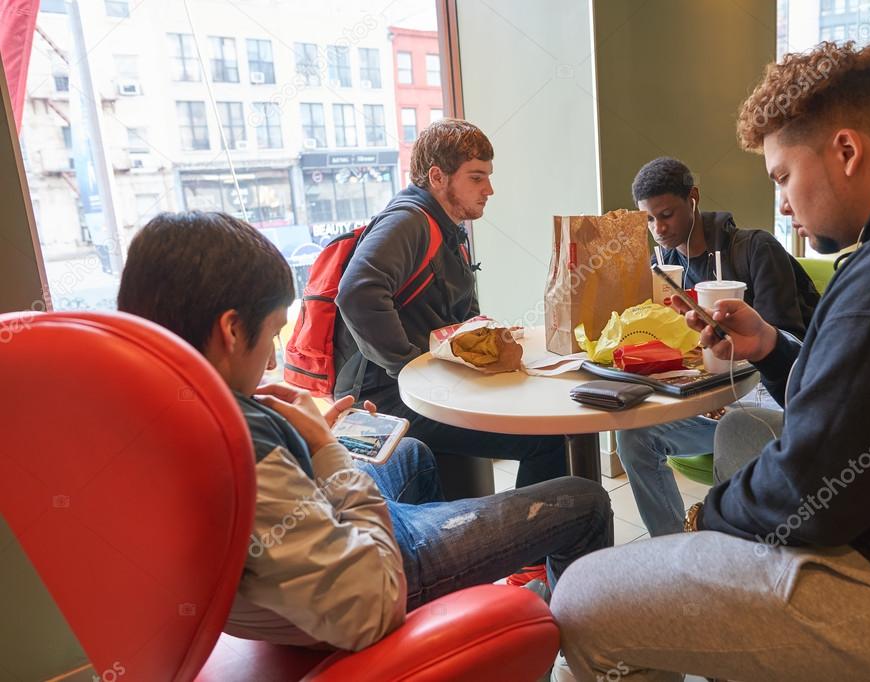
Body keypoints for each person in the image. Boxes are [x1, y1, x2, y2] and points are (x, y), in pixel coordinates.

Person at [552, 42, 870, 681]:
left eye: (782, 176)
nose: (781, 203)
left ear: (847, 151)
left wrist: (707, 521)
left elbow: (814, 485)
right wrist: (773, 349)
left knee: (584, 600)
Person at [117, 211, 612, 652]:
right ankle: (565, 650)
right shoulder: (242, 442)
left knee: (410, 452)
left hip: (290, 564)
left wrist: (312, 452)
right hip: (371, 574)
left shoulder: (140, 398)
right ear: (229, 330)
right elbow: (364, 605)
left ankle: (449, 606)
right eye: (271, 333)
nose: (271, 359)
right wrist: (325, 451)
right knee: (584, 500)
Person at [334, 118, 567, 489]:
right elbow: (357, 293)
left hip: (426, 386)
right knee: (546, 441)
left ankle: (514, 539)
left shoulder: (447, 227)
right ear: (438, 177)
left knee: (536, 418)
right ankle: (537, 544)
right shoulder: (409, 221)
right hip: (390, 398)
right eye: (476, 177)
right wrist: (409, 368)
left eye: (488, 176)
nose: (489, 188)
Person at [615, 157, 820, 536]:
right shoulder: (665, 266)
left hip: (772, 406)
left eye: (666, 215)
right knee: (633, 437)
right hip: (710, 404)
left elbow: (789, 342)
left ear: (693, 199)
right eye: (649, 219)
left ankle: (724, 548)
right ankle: (673, 548)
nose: (658, 229)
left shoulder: (755, 248)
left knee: (737, 430)